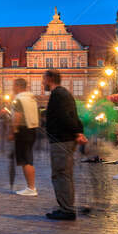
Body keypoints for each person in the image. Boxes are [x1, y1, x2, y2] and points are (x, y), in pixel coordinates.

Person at [41, 69, 87, 220]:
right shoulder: (64, 93)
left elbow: (65, 117)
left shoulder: (58, 95)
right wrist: (79, 131)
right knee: (65, 174)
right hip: (65, 139)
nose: (42, 83)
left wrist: (77, 132)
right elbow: (74, 115)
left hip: (61, 140)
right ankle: (66, 207)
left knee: (60, 174)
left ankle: (66, 209)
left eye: (44, 79)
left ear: (50, 79)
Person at [10, 78, 40, 197]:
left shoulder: (18, 99)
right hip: (32, 129)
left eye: (13, 85)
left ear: (18, 86)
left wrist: (13, 131)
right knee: (29, 158)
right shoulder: (32, 98)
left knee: (25, 160)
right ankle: (31, 186)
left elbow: (17, 116)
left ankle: (31, 188)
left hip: (22, 130)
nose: (12, 88)